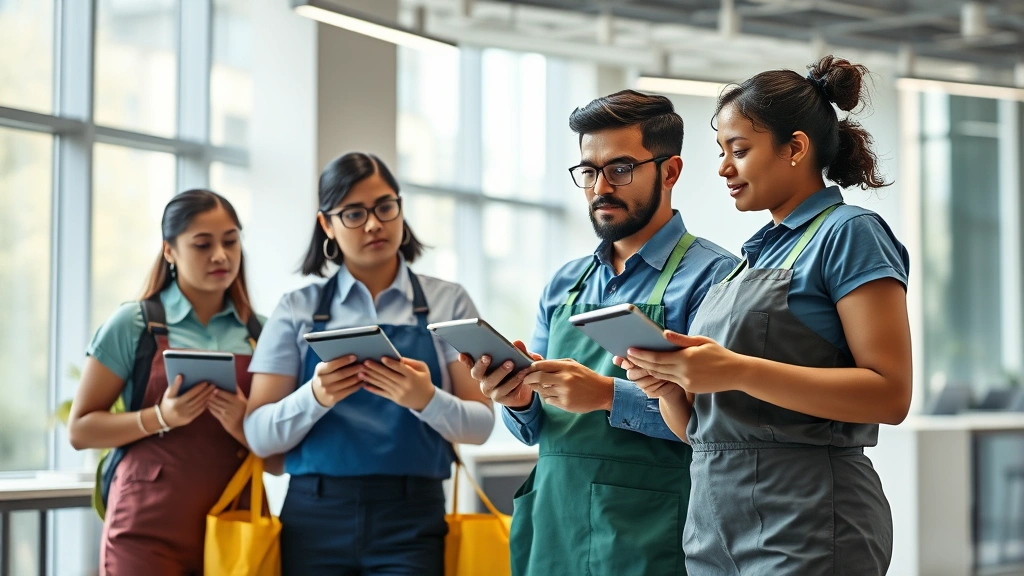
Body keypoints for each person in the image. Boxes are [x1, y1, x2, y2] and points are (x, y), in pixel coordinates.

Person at [618, 55, 912, 575]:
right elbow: (708, 433)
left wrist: (734, 369)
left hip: (808, 522)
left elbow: (890, 395)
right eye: (722, 152)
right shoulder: (746, 263)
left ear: (795, 148)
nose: (724, 168)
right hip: (711, 525)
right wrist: (668, 387)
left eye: (740, 150)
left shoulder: (849, 234)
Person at [465, 90, 738, 575]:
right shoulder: (564, 283)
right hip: (555, 525)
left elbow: (722, 425)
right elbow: (533, 429)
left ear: (670, 171)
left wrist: (608, 395)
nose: (599, 188)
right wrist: (517, 397)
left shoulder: (714, 278)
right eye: (588, 172)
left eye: (620, 169)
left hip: (651, 530)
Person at [244, 152, 494, 576]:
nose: (374, 224)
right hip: (314, 517)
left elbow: (481, 426)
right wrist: (315, 396)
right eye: (354, 214)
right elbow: (259, 436)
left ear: (400, 207)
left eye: (384, 207)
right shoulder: (296, 309)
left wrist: (426, 398)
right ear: (327, 224)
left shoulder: (448, 302)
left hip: (413, 516)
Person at [68, 190, 263, 575]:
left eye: (230, 241)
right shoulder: (134, 325)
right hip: (145, 530)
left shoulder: (264, 334)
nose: (221, 255)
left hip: (234, 524)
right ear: (169, 251)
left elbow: (280, 455)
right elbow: (80, 430)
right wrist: (161, 416)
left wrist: (245, 423)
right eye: (202, 244)